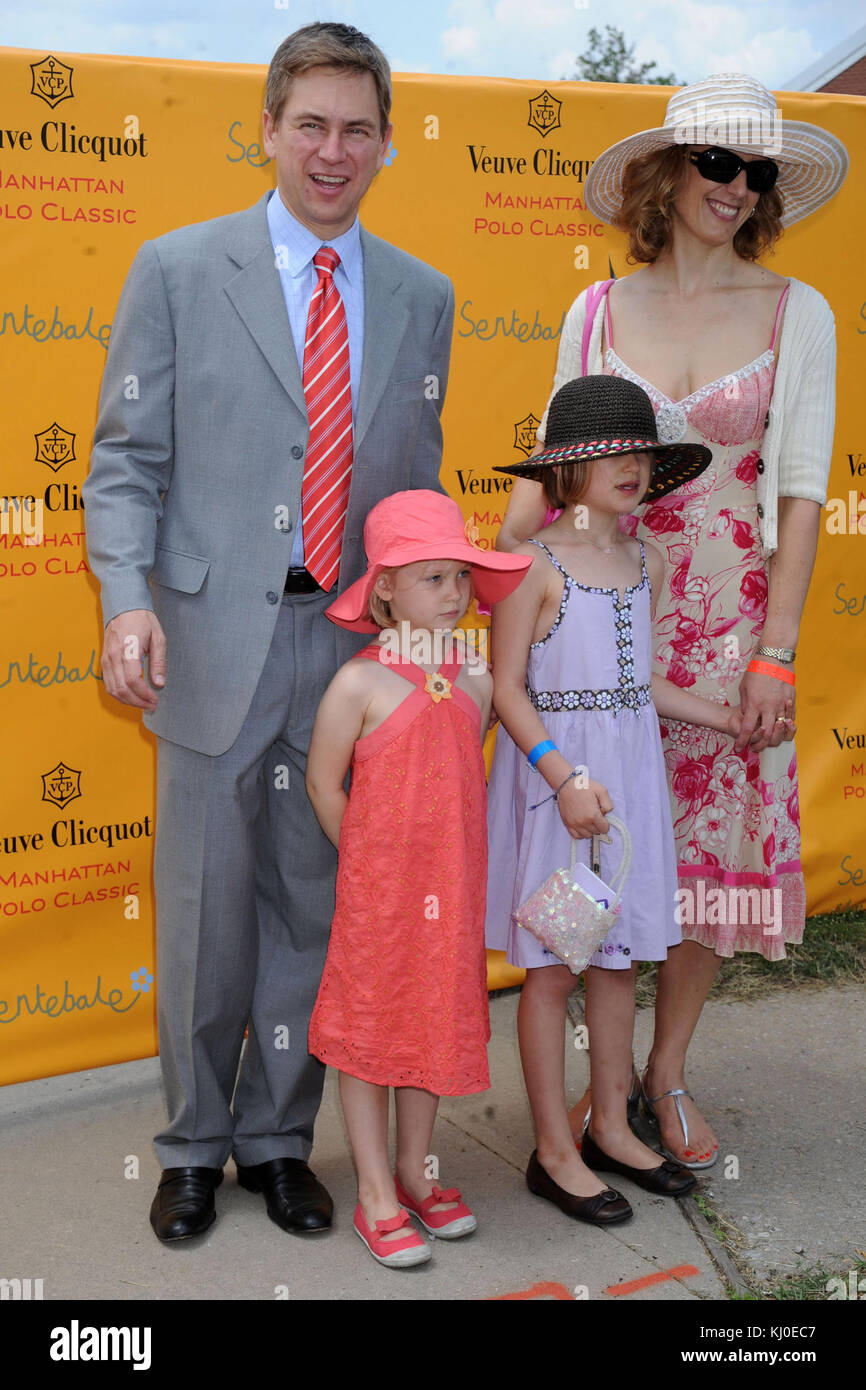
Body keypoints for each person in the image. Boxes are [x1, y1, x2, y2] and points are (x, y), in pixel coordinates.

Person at [82, 23, 455, 1243]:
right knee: (202, 909)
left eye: (357, 129)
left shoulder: (423, 297)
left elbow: (411, 492)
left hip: (351, 659)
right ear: (268, 129)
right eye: (311, 125)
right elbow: (126, 464)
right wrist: (127, 597)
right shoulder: (178, 270)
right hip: (205, 642)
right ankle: (191, 1143)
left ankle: (278, 1142)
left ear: (387, 143)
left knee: (318, 906)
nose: (332, 151)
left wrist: (430, 635)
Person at [496, 73, 846, 1168]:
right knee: (592, 842)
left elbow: (797, 491)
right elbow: (546, 480)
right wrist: (470, 578)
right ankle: (593, 1101)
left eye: (754, 173)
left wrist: (775, 657)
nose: (735, 189)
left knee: (713, 854)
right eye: (714, 163)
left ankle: (664, 1071)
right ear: (663, 171)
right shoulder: (593, 311)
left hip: (732, 622)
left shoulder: (798, 313)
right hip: (596, 626)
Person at [486, 375, 795, 1221]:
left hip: (628, 790)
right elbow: (508, 690)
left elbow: (640, 682)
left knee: (619, 960)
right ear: (562, 471)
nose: (631, 465)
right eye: (608, 453)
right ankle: (553, 1150)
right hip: (561, 796)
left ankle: (612, 1129)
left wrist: (725, 717)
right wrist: (561, 775)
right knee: (552, 969)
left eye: (641, 452)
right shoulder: (530, 565)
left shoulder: (645, 558)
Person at [304, 490, 529, 1266]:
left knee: (429, 1026)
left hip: (452, 898)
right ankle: (372, 1190)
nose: (453, 595)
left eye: (461, 579)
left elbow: (464, 773)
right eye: (432, 578)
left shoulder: (475, 677)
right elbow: (323, 784)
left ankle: (414, 1169)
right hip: (378, 902)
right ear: (386, 589)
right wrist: (368, 861)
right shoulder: (358, 686)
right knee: (369, 1039)